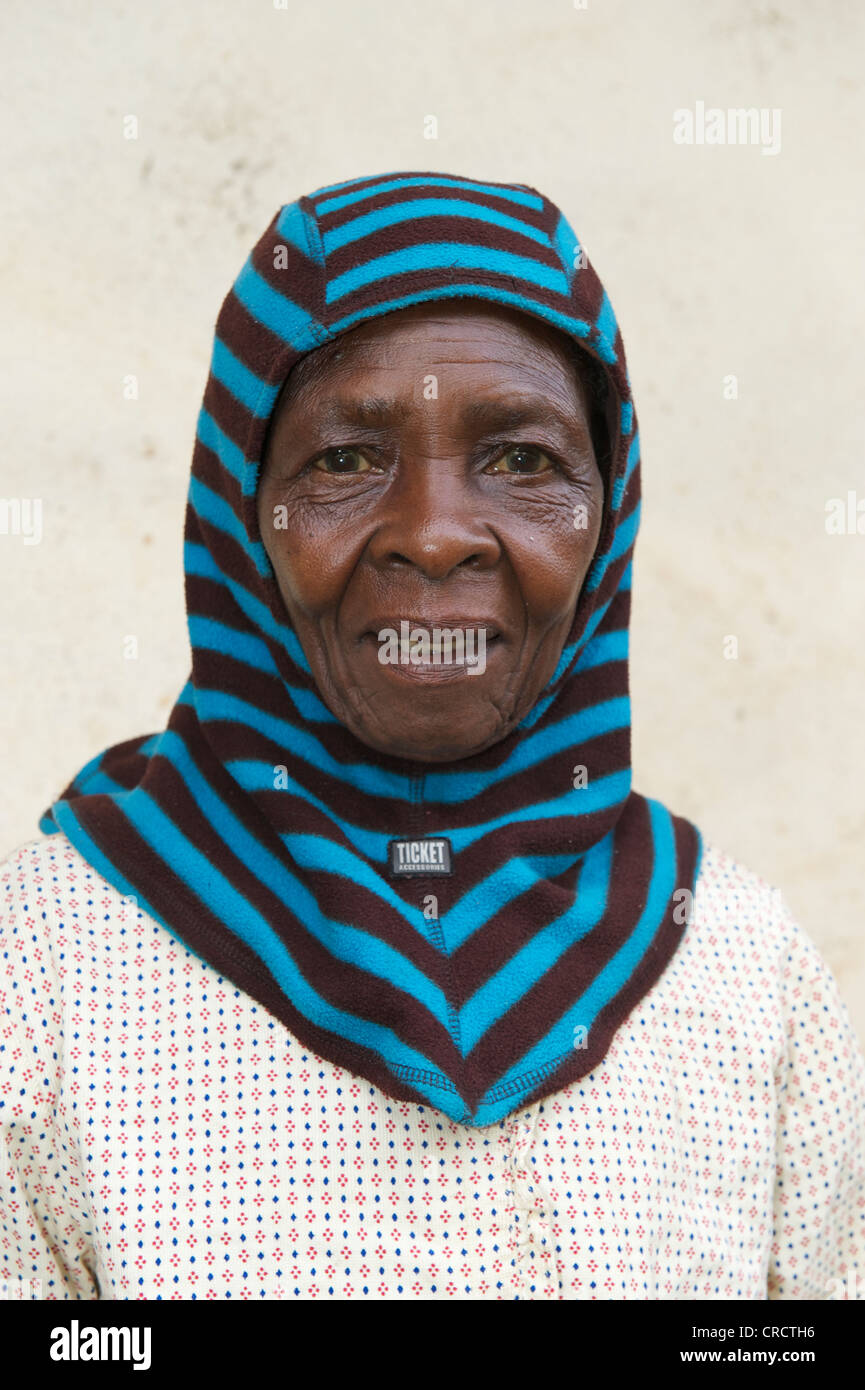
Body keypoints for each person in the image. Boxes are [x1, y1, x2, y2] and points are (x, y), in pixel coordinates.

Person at [1, 170, 862, 1301]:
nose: (437, 536)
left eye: (523, 459)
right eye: (345, 460)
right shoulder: (50, 969)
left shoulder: (739, 965)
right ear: (238, 507)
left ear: (610, 515)